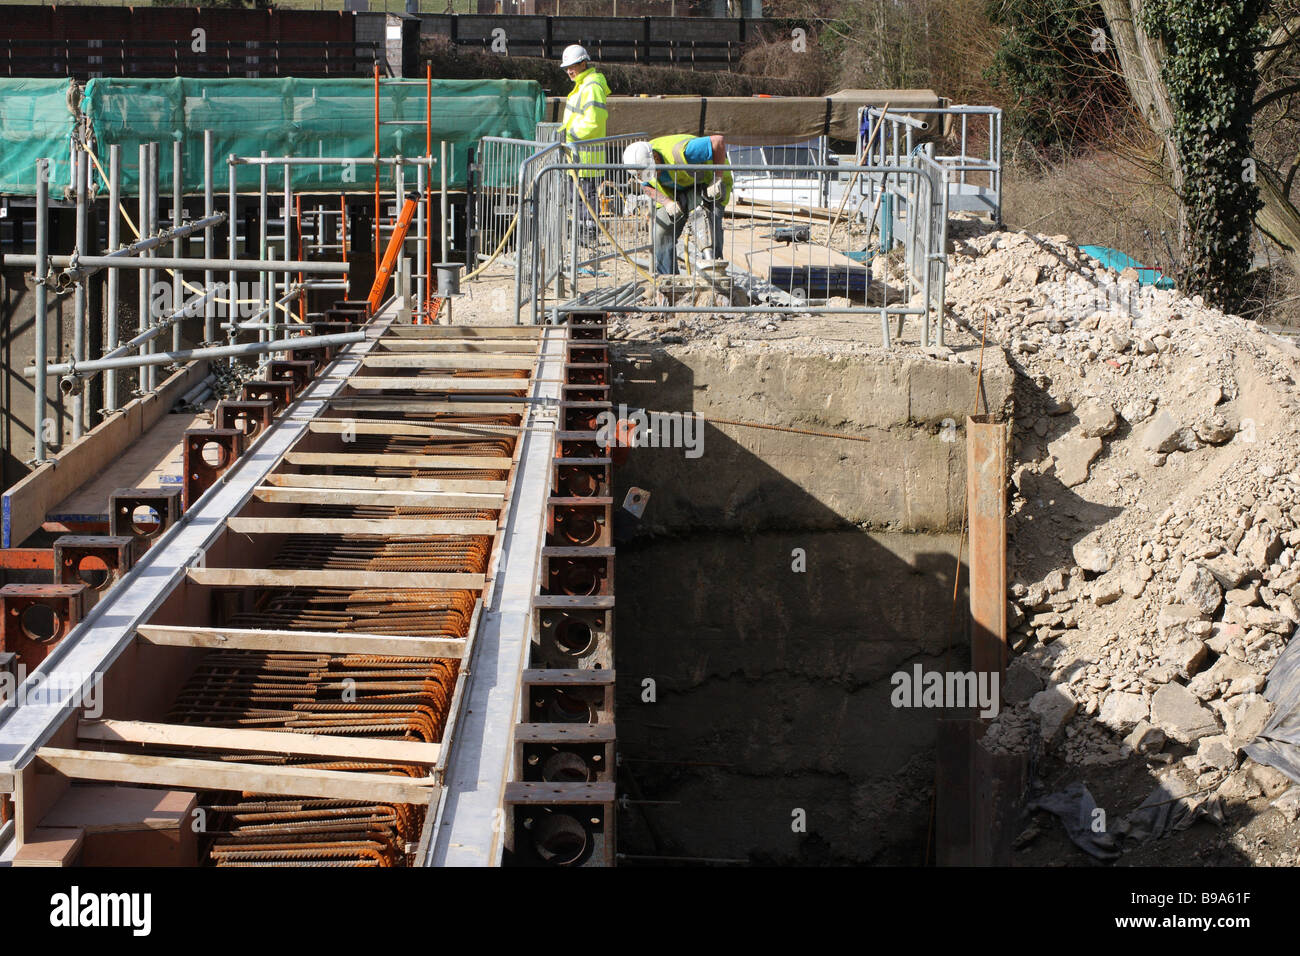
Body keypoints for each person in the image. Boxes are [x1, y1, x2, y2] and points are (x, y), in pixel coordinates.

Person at [622, 134, 732, 275]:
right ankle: (669, 281)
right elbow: (646, 186)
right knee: (661, 233)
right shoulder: (641, 166)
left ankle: (714, 275)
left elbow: (718, 141)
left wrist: (717, 178)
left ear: (655, 157)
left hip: (709, 186)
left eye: (653, 171)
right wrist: (667, 202)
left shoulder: (683, 151)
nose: (654, 175)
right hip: (676, 193)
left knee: (710, 226)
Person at [559, 44, 609, 244]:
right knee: (578, 198)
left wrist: (569, 136)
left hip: (586, 154)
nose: (569, 71)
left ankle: (588, 233)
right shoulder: (582, 86)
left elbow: (593, 122)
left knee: (585, 197)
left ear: (583, 63)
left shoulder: (591, 87)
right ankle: (583, 233)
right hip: (578, 153)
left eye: (572, 66)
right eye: (566, 67)